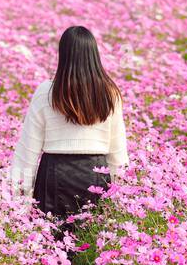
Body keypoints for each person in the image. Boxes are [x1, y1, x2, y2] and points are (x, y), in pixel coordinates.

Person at [11, 25, 128, 224]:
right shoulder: (110, 93)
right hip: (96, 175)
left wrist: (18, 197)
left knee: (52, 243)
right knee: (92, 243)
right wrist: (122, 193)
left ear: (62, 54)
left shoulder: (47, 91)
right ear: (93, 54)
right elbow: (117, 150)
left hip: (54, 174)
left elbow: (28, 149)